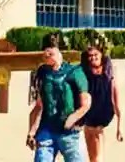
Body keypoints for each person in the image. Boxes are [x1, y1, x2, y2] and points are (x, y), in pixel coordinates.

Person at [26, 34, 91, 162]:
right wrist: (32, 132)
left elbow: (86, 103)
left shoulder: (75, 72)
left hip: (70, 132)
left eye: (51, 51)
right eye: (45, 52)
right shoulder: (42, 73)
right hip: (46, 130)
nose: (48, 55)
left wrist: (73, 118)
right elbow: (39, 106)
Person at [80, 44, 123, 162]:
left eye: (96, 55)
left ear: (101, 55)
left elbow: (116, 98)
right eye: (90, 56)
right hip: (89, 117)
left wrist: (120, 127)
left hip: (104, 117)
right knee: (94, 157)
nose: (93, 58)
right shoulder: (84, 71)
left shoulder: (109, 72)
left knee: (97, 157)